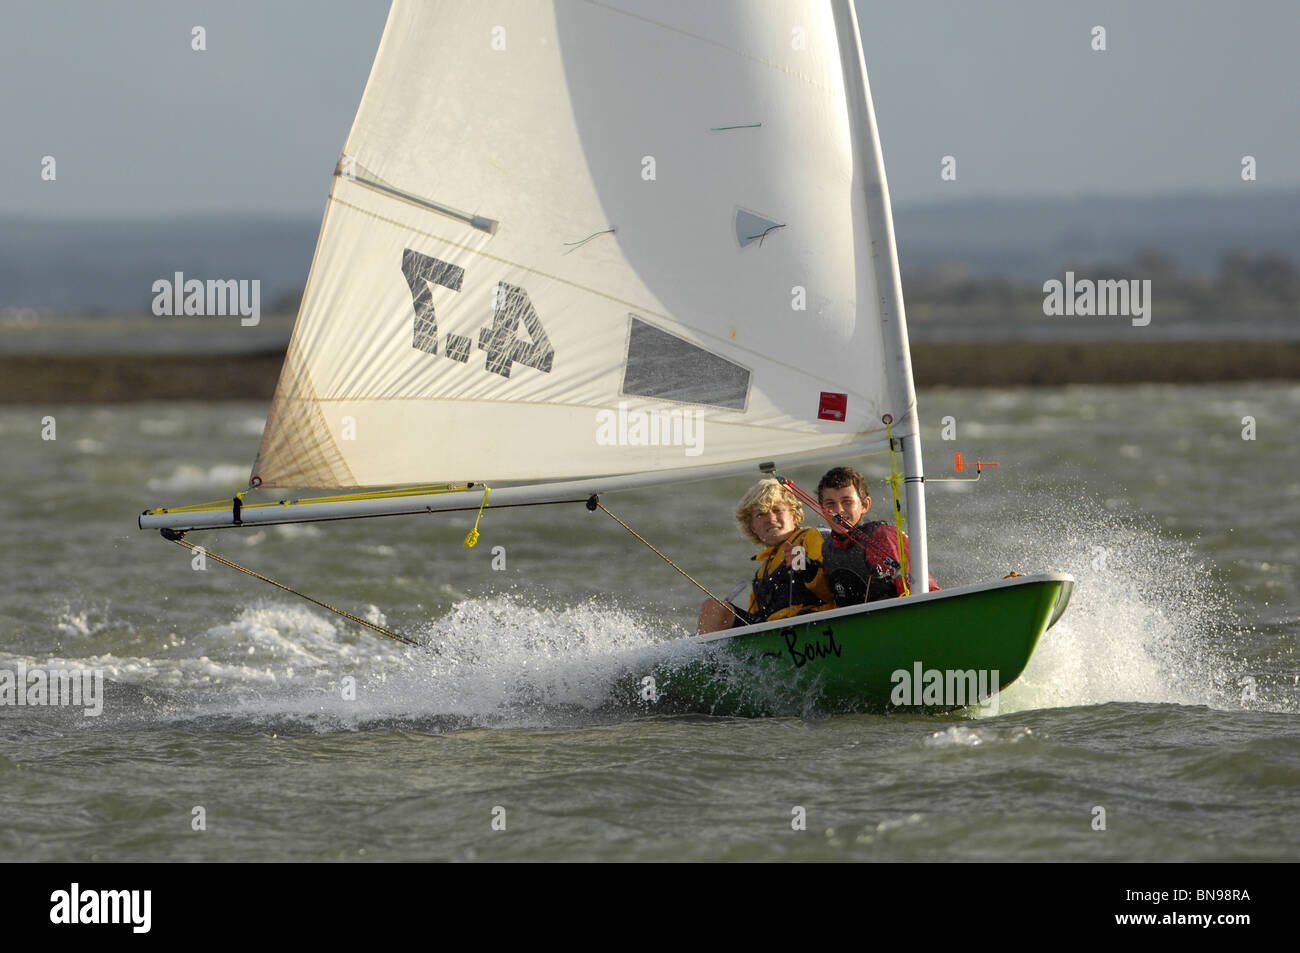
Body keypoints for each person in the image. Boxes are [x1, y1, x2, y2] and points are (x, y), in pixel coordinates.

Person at [697, 478, 835, 633]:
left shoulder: (811, 537)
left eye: (777, 510)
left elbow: (833, 589)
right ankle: (705, 653)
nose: (770, 519)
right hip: (773, 637)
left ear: (794, 516)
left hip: (813, 628)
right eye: (761, 514)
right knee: (714, 608)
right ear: (753, 527)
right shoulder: (762, 572)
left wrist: (806, 567)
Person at [815, 466, 939, 605]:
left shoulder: (882, 537)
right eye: (830, 504)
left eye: (847, 502)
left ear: (865, 505)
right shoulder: (825, 547)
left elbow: (927, 591)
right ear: (821, 509)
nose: (838, 511)